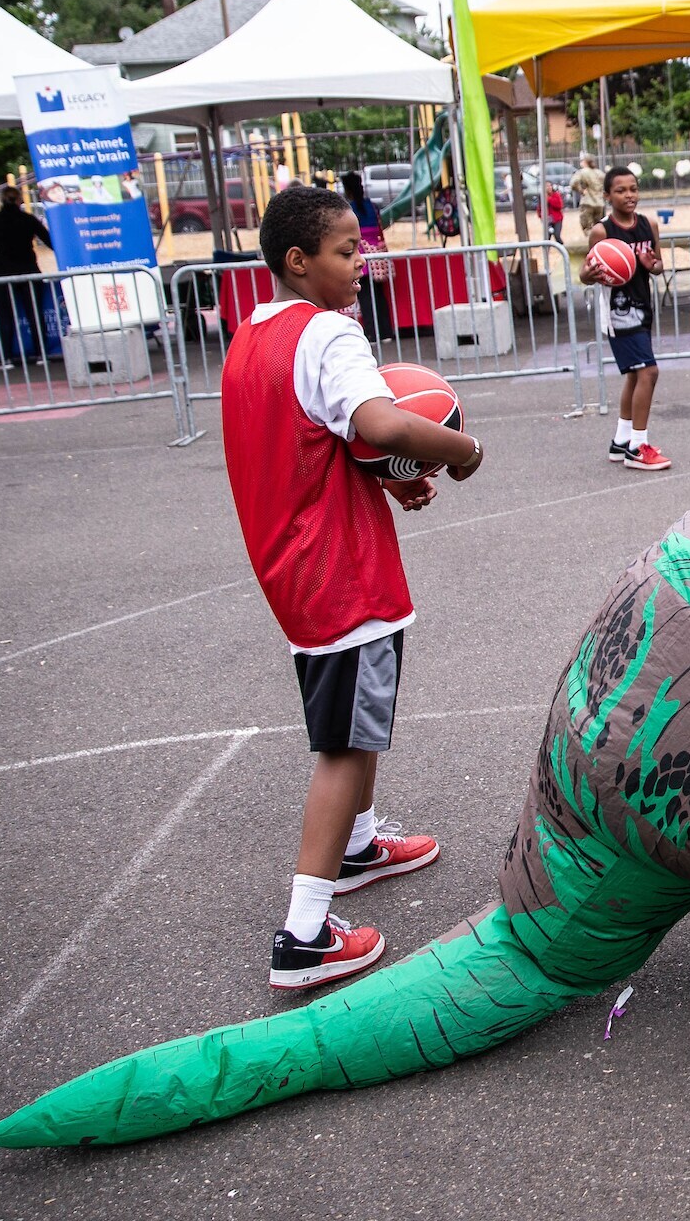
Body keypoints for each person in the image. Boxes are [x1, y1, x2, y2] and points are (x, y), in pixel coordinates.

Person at [222, 186, 484, 989]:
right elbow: (382, 425)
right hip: (341, 574)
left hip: (295, 565)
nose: (361, 263)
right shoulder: (329, 332)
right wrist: (463, 451)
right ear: (299, 261)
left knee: (358, 724)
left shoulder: (252, 337)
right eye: (346, 251)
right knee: (342, 744)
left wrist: (390, 480)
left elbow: (314, 444)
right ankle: (304, 935)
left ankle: (361, 845)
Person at [579, 165, 670, 471]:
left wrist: (650, 263)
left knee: (635, 374)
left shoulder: (648, 224)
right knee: (649, 372)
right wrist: (589, 273)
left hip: (643, 308)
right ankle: (637, 447)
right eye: (620, 190)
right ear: (607, 196)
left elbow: (658, 266)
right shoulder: (602, 232)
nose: (629, 195)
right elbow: (585, 273)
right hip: (618, 313)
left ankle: (621, 441)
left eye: (633, 189)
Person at [0, 185, 52, 369]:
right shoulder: (28, 219)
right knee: (35, 314)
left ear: (2, 200)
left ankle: (7, 358)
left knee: (5, 316)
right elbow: (49, 240)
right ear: (19, 200)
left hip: (4, 272)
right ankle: (41, 354)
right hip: (29, 269)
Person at [340, 170, 391, 340]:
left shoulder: (348, 210)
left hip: (360, 257)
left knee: (365, 296)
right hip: (376, 257)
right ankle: (386, 332)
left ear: (347, 190)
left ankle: (372, 333)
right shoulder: (372, 207)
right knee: (379, 296)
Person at [569, 154, 610, 242]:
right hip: (599, 202)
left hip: (587, 202)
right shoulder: (599, 173)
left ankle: (591, 243)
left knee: (588, 227)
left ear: (585, 162)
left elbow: (573, 182)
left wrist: (580, 190)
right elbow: (608, 182)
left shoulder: (582, 172)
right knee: (600, 226)